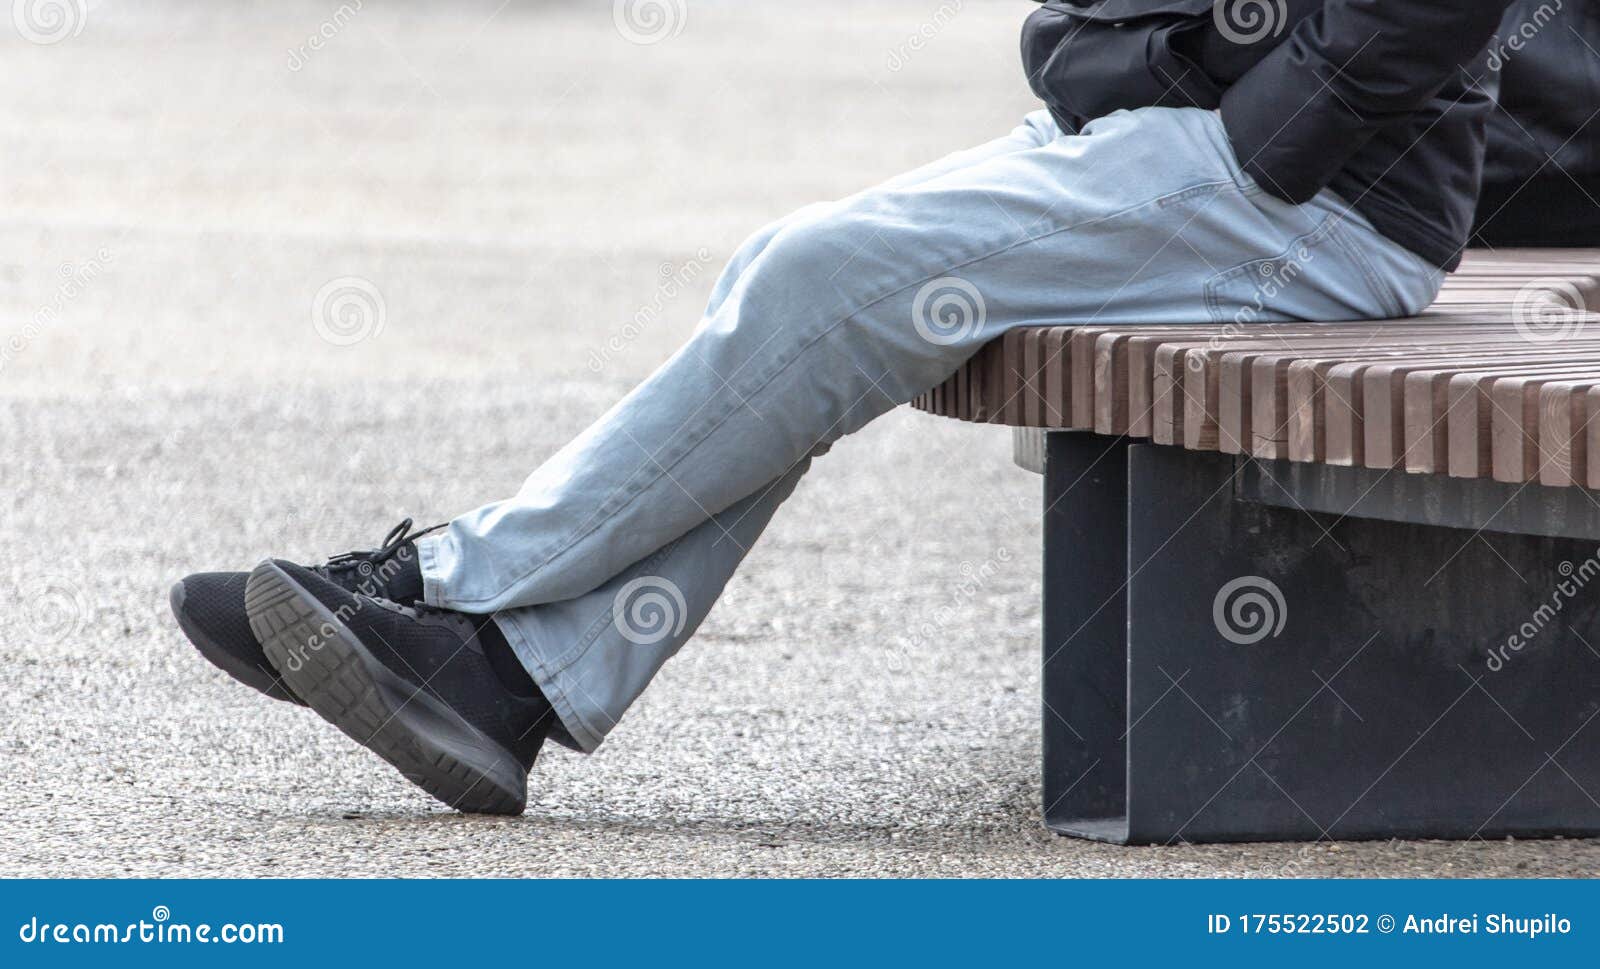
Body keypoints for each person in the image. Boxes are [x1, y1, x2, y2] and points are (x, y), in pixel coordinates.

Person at [172, 0, 1518, 815]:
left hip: (1313, 198)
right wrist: (1103, 61)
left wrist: (1258, 138)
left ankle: (449, 587)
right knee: (792, 270)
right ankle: (509, 676)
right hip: (1182, 129)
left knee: (822, 279)